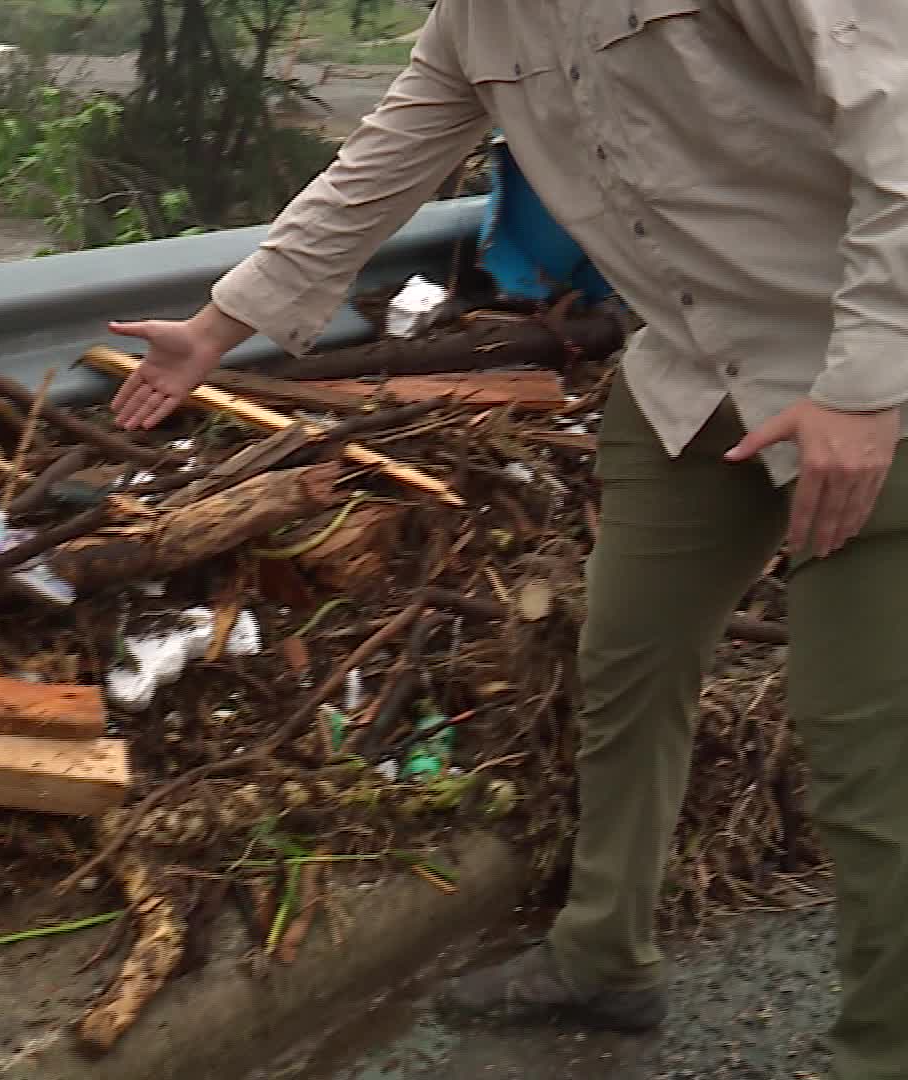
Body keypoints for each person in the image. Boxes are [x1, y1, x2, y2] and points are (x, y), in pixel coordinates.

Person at [105, 3, 908, 1077]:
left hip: (871, 372)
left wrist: (864, 392)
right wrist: (213, 328)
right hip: (690, 372)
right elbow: (373, 174)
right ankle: (604, 958)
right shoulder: (473, 24)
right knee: (625, 664)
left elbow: (898, 123)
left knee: (864, 744)